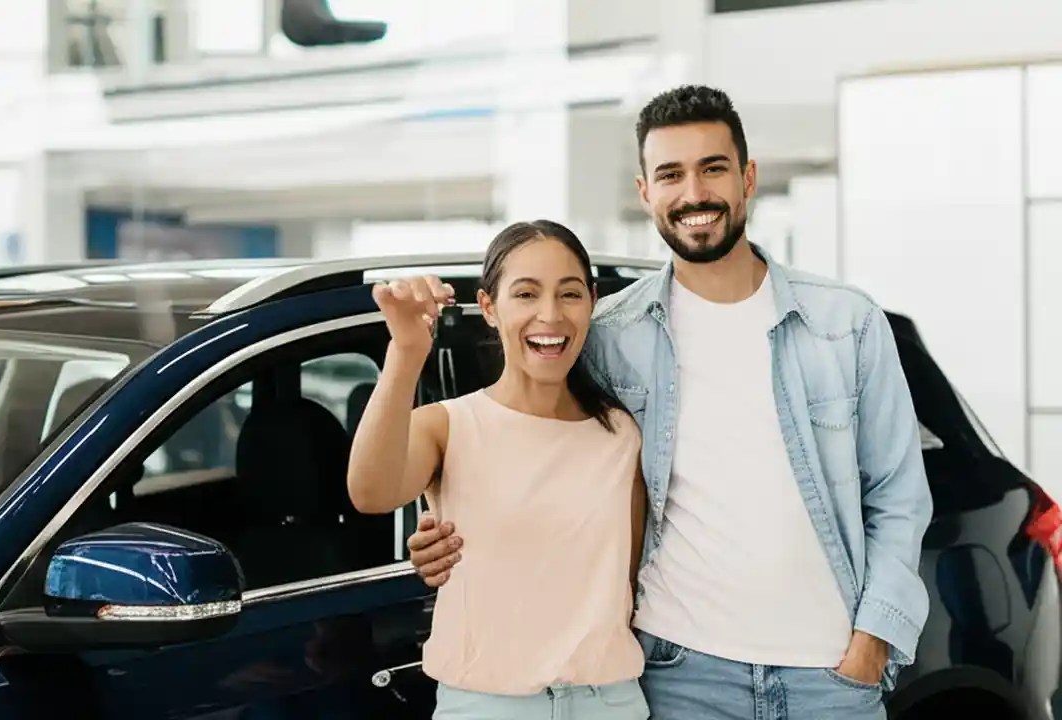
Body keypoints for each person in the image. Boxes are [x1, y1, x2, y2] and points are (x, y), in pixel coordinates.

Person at [405, 85, 933, 720]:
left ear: (747, 178)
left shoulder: (845, 324)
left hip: (829, 676)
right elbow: (541, 452)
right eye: (671, 174)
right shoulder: (609, 335)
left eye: (713, 168)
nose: (694, 194)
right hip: (681, 675)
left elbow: (899, 498)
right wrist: (446, 526)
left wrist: (873, 642)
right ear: (645, 192)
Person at [347, 220, 651, 719]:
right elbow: (370, 493)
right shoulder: (449, 426)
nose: (549, 316)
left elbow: (634, 579)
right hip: (488, 707)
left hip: (611, 702)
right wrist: (405, 352)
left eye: (569, 294)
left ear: (592, 302)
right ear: (489, 307)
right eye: (526, 294)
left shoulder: (622, 434)